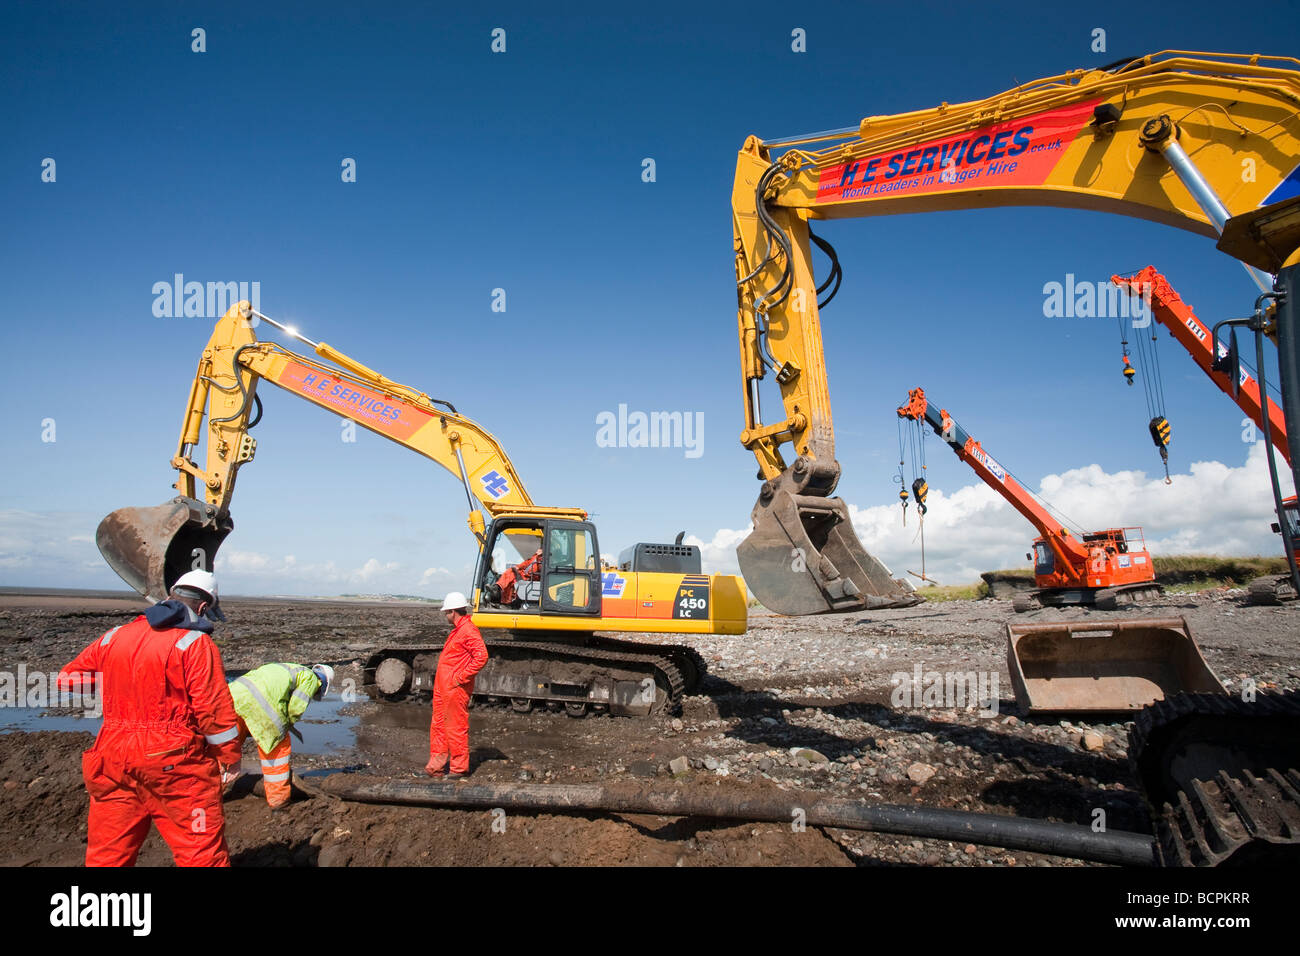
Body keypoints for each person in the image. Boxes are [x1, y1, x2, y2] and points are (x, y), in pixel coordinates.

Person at [57, 569, 241, 867]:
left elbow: (67, 678)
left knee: (108, 854)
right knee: (200, 851)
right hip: (174, 760)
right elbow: (213, 710)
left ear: (170, 596)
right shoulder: (194, 644)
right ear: (204, 607)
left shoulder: (115, 636)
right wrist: (230, 757)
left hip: (112, 755)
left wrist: (124, 681)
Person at [227, 661, 334, 810]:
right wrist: (287, 723)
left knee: (226, 747)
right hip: (260, 704)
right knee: (277, 748)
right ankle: (278, 801)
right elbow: (296, 707)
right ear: (322, 682)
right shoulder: (311, 678)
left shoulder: (290, 668)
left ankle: (208, 792)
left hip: (232, 697)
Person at [425, 591, 488, 779]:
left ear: (453, 612)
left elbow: (482, 656)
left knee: (455, 727)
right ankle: (436, 766)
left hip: (455, 689)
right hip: (445, 688)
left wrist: (460, 678)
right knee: (438, 726)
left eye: (446, 612)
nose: (445, 615)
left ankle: (459, 769)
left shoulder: (468, 630)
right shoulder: (459, 630)